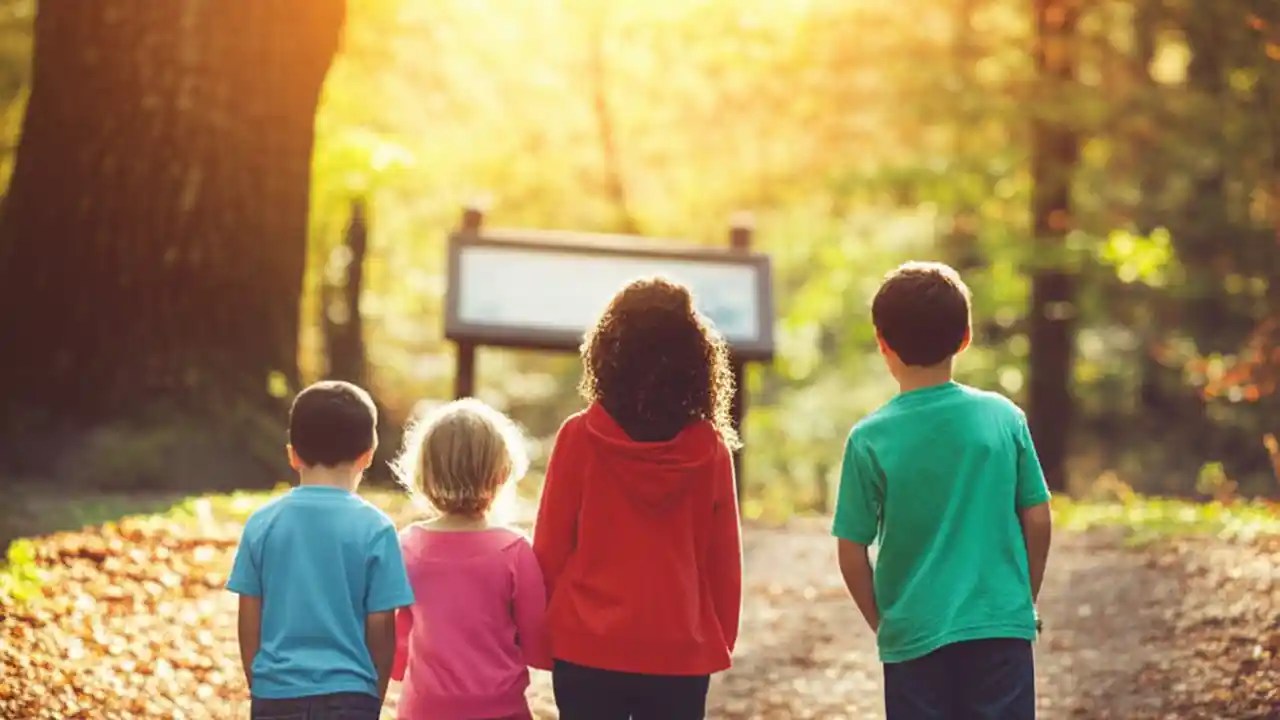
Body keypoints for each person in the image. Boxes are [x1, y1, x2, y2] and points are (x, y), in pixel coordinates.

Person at [833, 261, 1053, 719]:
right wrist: (1020, 599)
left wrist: (884, 623)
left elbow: (851, 548)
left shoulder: (870, 438)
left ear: (882, 342)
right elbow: (1037, 517)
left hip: (914, 636)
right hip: (999, 628)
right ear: (965, 336)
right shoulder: (1003, 418)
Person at [534, 276, 743, 720]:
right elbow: (723, 560)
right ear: (694, 359)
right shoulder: (710, 450)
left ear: (608, 353)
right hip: (678, 648)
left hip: (585, 646)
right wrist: (719, 636)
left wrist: (538, 631)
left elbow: (550, 549)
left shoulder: (579, 437)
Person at [227, 380, 414, 720]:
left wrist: (260, 683)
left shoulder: (261, 524)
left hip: (276, 692)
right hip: (351, 694)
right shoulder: (376, 529)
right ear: (368, 456)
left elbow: (249, 616)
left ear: (292, 453)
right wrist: (374, 693)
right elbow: (382, 627)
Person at [390, 398, 548, 720]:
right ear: (503, 473)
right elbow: (538, 646)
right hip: (500, 710)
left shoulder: (406, 546)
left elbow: (398, 643)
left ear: (423, 473)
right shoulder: (515, 550)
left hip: (424, 709)